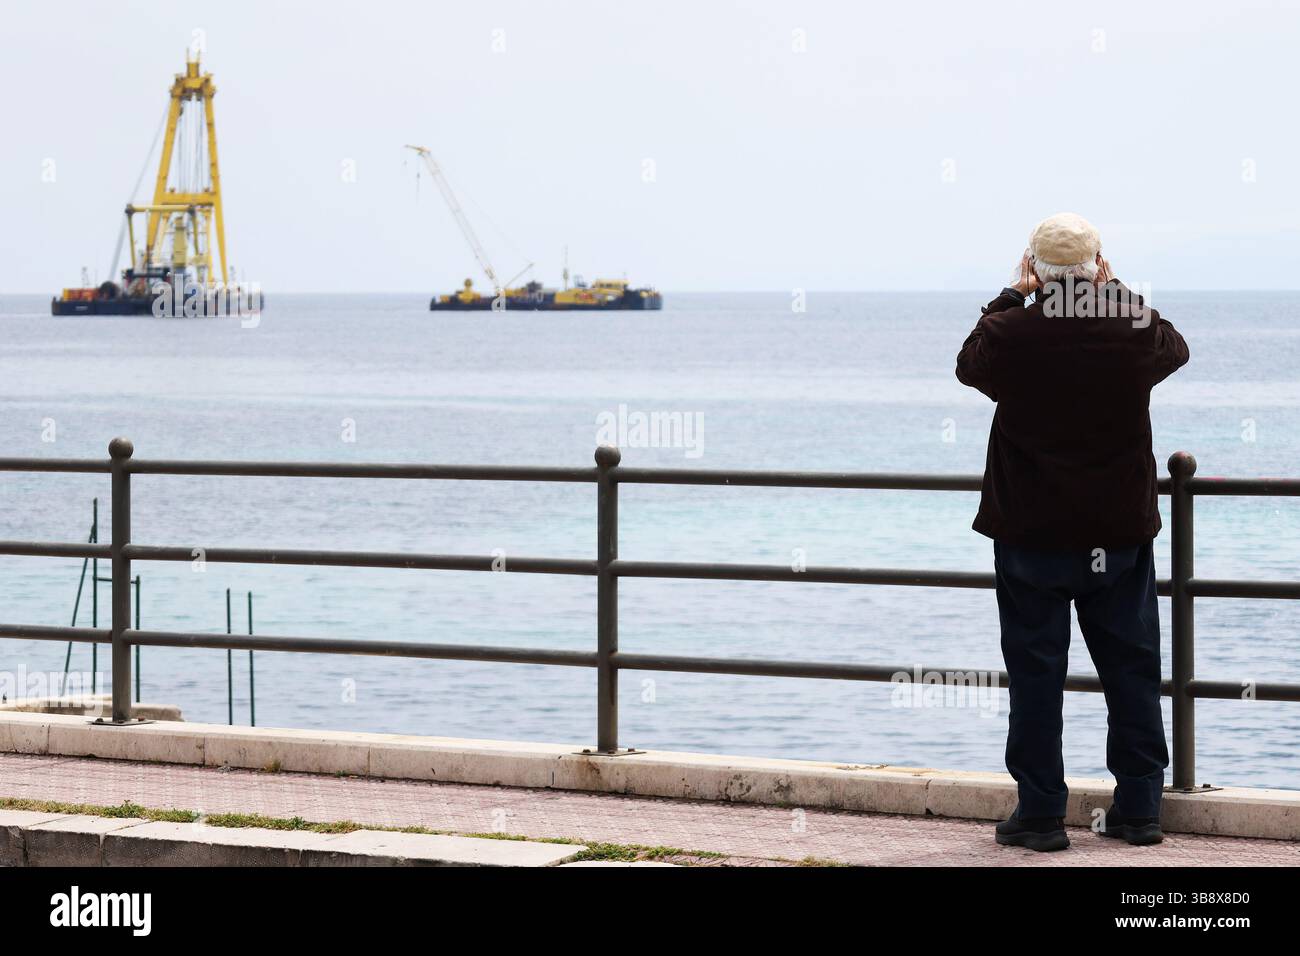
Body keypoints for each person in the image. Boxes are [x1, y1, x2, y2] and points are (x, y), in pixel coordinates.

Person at [955, 212, 1190, 852]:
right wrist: (1111, 293)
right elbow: (1177, 346)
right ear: (1099, 267)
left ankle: (1039, 814)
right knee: (1132, 670)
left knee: (1035, 674)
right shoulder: (1133, 328)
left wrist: (1011, 294)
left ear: (1034, 267)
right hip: (1116, 532)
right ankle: (1139, 809)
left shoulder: (1010, 330)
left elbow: (967, 364)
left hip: (1031, 530)